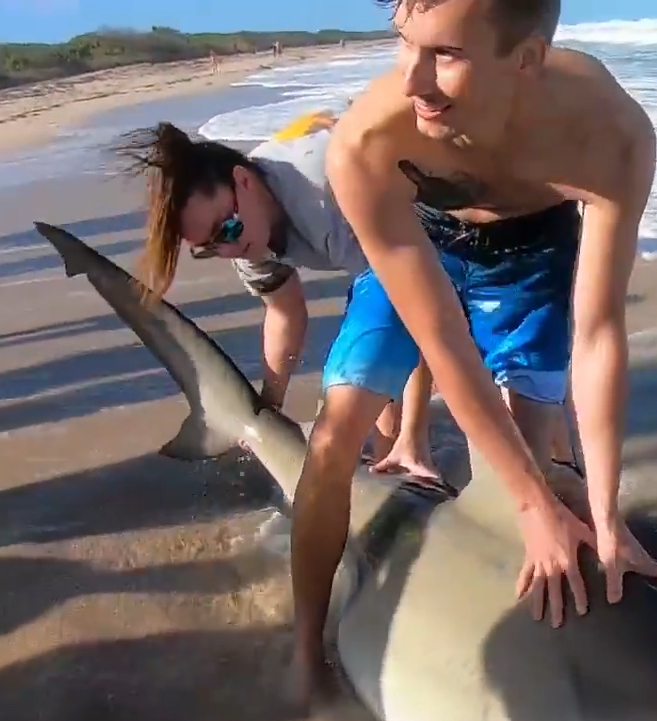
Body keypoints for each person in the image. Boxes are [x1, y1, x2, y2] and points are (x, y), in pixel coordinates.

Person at [295, 0, 657, 704]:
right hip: (422, 237)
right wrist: (529, 508)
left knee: (541, 476)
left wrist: (608, 511)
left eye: (447, 55)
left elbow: (598, 332)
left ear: (526, 60)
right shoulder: (367, 142)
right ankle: (305, 649)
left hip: (532, 252)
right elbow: (440, 338)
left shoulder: (608, 136)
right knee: (334, 437)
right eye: (403, 45)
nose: (413, 81)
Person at [114, 112, 441, 482]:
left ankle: (404, 451)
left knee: (415, 342)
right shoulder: (245, 238)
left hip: (450, 193)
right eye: (209, 247)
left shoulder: (325, 195)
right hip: (387, 235)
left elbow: (414, 303)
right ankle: (392, 454)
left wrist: (411, 437)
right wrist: (268, 407)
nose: (228, 249)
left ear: (243, 181)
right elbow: (284, 313)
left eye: (228, 230)